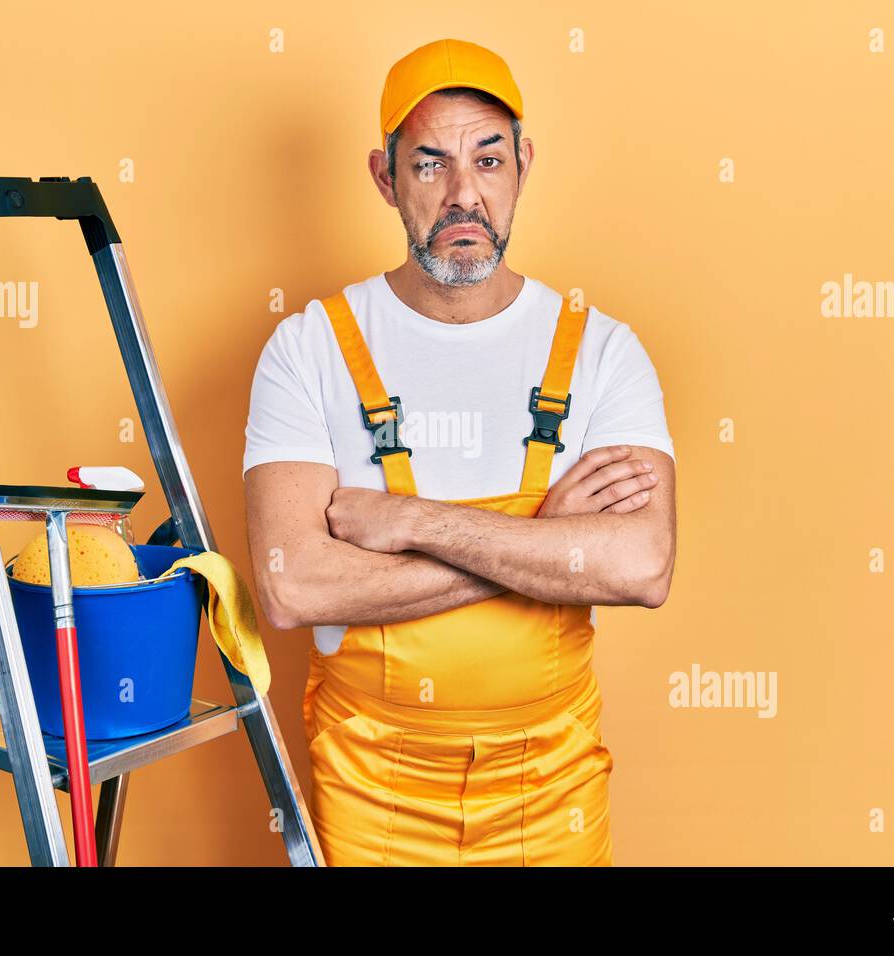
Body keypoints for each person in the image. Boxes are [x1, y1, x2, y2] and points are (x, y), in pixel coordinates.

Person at [242, 38, 677, 866]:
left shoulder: (602, 351)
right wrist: (549, 541)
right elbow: (293, 584)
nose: (464, 194)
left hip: (553, 788)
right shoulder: (308, 348)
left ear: (524, 164)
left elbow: (643, 567)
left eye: (488, 159)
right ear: (385, 177)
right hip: (372, 786)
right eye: (431, 165)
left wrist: (408, 521)